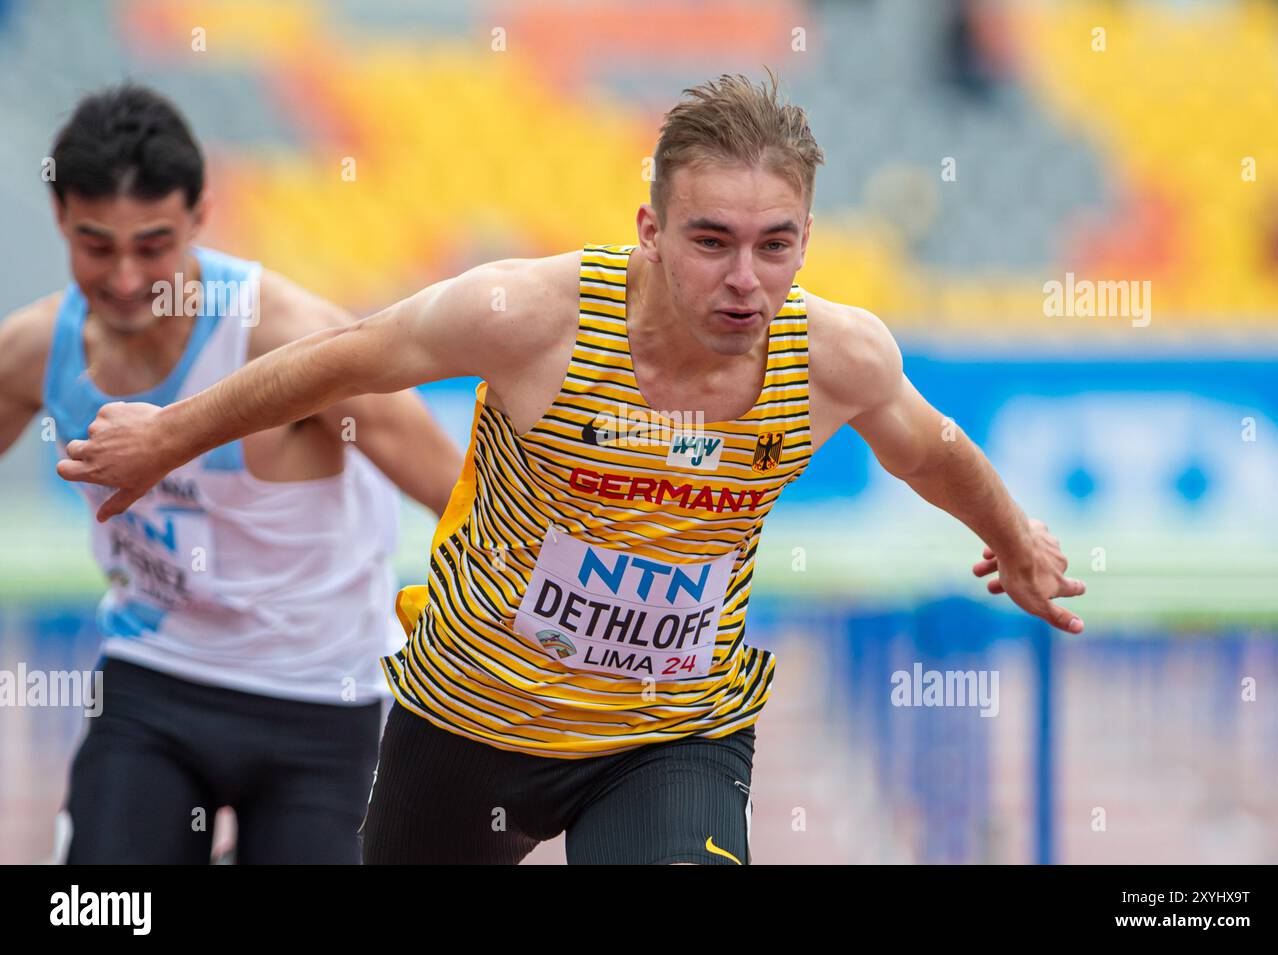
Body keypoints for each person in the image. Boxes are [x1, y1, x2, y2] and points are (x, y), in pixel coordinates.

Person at [56, 73, 1086, 865]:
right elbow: (344, 358)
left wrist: (1011, 538)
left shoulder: (836, 355)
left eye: (776, 246)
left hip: (668, 728)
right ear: (648, 231)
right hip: (468, 716)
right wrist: (168, 435)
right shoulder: (529, 317)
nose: (744, 280)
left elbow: (930, 448)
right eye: (710, 241)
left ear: (808, 238)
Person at [0, 83, 462, 863]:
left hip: (321, 693)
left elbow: (461, 494)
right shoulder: (35, 350)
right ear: (59, 222)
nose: (121, 280)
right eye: (95, 245)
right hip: (155, 679)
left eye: (152, 245)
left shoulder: (289, 337)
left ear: (200, 215)